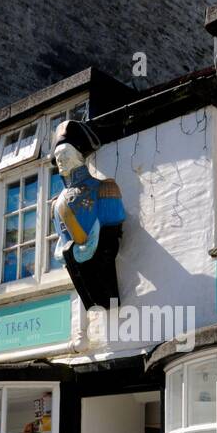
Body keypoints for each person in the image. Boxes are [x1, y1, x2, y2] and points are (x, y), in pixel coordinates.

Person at [50, 119, 126, 310]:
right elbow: (63, 240)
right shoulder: (57, 203)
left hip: (101, 271)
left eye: (65, 153)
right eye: (57, 155)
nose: (60, 159)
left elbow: (111, 238)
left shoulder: (104, 188)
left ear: (78, 155)